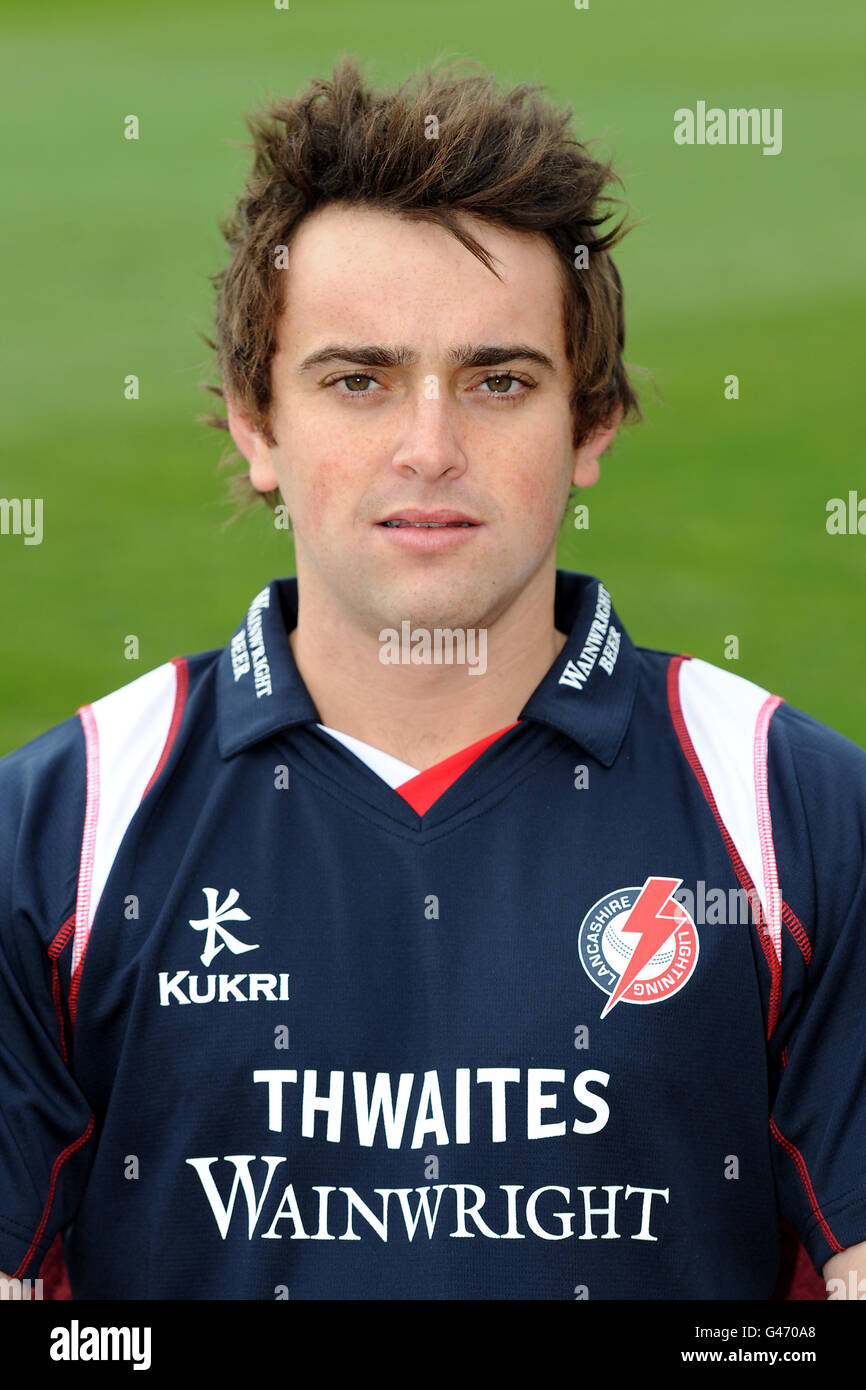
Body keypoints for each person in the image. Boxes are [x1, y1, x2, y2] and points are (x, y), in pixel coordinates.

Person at [1, 58, 864, 1302]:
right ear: (256, 424)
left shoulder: (796, 820)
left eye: (497, 381)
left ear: (592, 426)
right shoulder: (61, 837)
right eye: (356, 380)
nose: (429, 448)